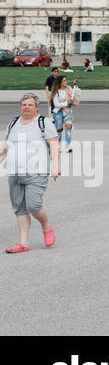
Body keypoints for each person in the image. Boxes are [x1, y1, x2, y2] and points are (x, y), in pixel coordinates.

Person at [1, 94, 59, 253]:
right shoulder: (13, 122)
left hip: (37, 171)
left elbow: (54, 144)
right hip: (14, 172)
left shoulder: (43, 122)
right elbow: (5, 147)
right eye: (24, 104)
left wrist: (55, 166)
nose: (26, 107)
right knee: (19, 208)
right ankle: (23, 243)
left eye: (30, 105)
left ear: (36, 107)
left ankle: (46, 225)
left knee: (33, 205)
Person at [50, 76, 73, 153]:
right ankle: (58, 147)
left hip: (67, 111)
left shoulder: (68, 89)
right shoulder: (56, 92)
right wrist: (66, 103)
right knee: (59, 130)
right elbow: (56, 104)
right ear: (60, 82)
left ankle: (68, 146)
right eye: (64, 80)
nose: (66, 82)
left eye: (66, 80)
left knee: (68, 128)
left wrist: (76, 87)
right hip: (58, 112)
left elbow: (77, 93)